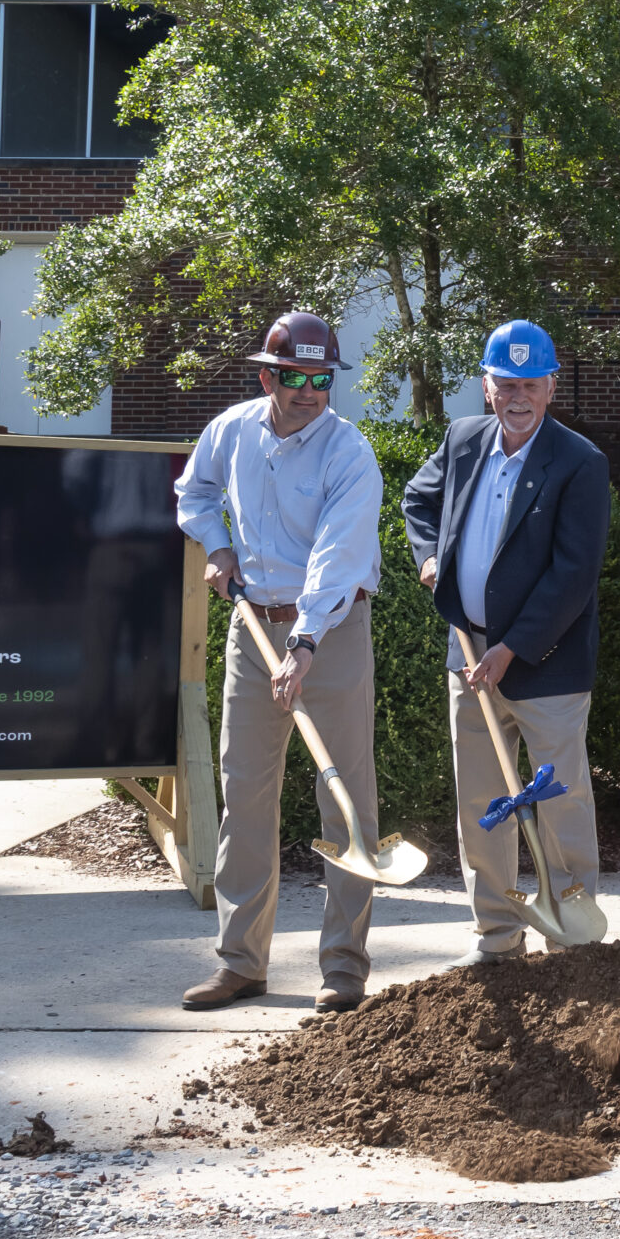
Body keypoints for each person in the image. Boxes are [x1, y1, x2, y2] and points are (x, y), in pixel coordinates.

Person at [173, 310, 384, 1013]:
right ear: (268, 376)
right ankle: (241, 961)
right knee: (246, 794)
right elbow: (195, 492)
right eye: (296, 377)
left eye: (323, 378)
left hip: (331, 630)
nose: (311, 391)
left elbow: (338, 556)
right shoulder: (230, 431)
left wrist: (305, 642)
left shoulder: (349, 453)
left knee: (345, 795)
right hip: (251, 625)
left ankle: (344, 967)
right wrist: (217, 546)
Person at [402, 320, 613, 969]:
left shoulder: (579, 461)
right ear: (487, 388)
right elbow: (419, 497)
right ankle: (496, 935)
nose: (518, 395)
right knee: (482, 804)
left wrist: (514, 648)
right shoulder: (463, 439)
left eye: (531, 383)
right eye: (506, 383)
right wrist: (430, 557)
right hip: (469, 656)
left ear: (551, 387)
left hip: (544, 662)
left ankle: (568, 936)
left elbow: (573, 574)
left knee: (560, 802)